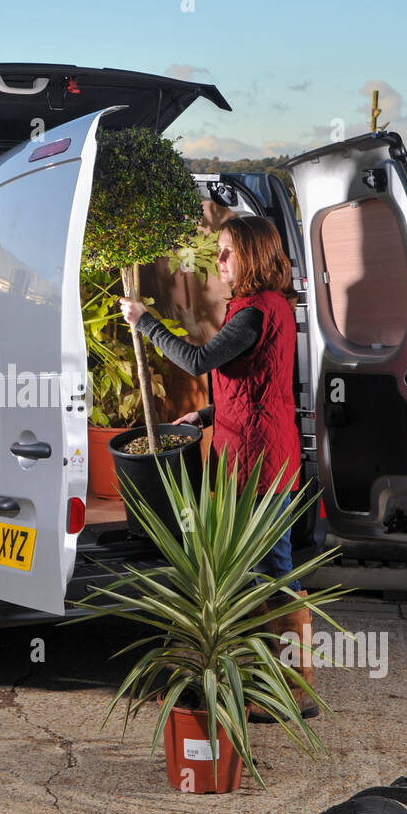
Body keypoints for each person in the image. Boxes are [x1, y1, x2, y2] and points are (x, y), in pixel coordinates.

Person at [119, 214, 301, 585]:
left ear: (252, 257)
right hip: (266, 451)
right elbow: (259, 386)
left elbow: (197, 360)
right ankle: (267, 640)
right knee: (258, 567)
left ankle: (292, 641)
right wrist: (205, 414)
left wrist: (145, 322)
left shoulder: (253, 314)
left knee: (271, 570)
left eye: (226, 253)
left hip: (259, 461)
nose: (218, 261)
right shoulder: (271, 305)